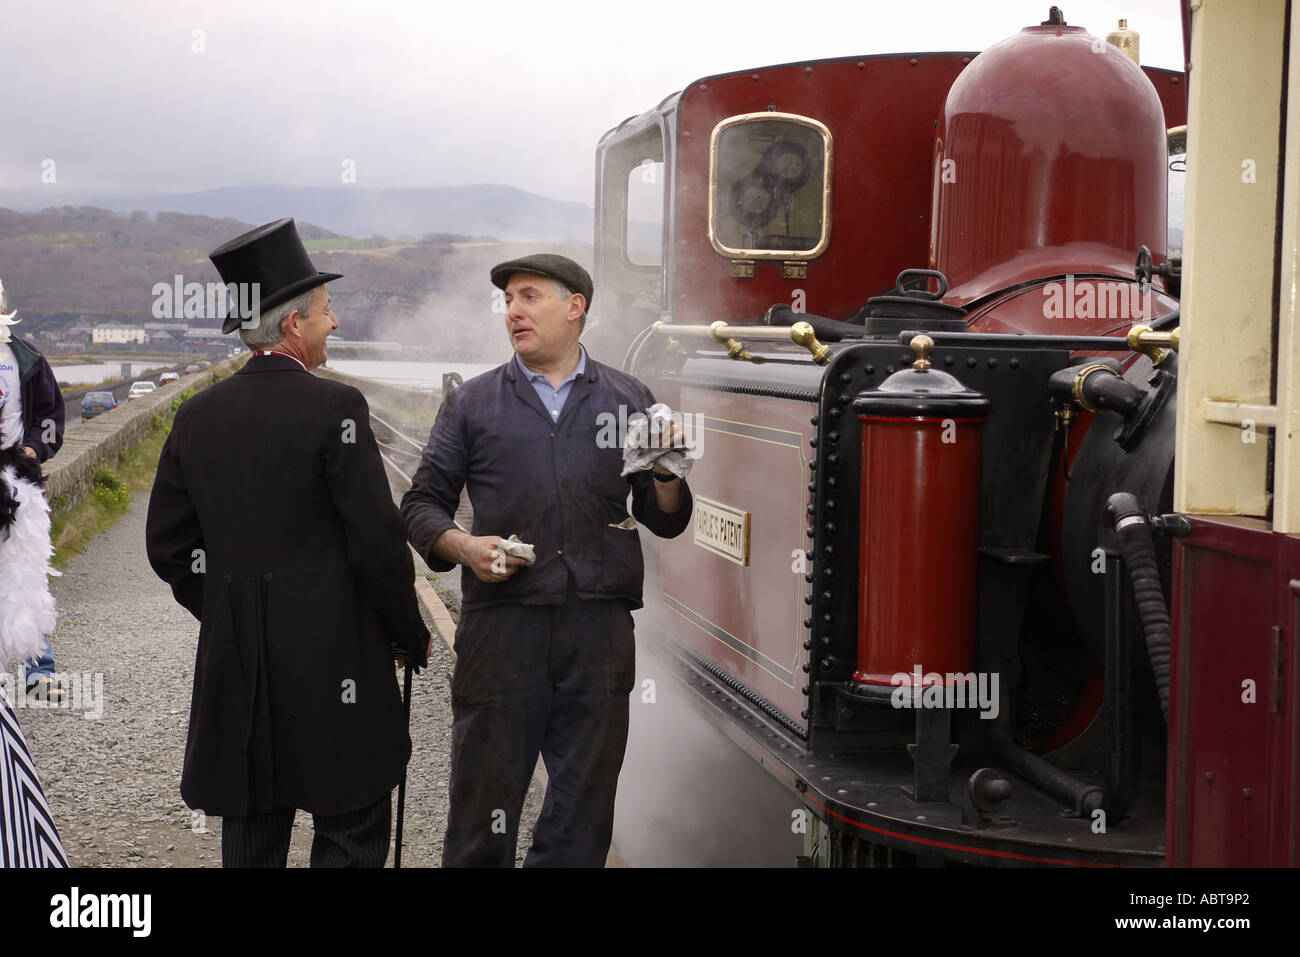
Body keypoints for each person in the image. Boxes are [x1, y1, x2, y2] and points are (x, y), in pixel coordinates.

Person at [145, 218, 430, 867]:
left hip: (240, 671)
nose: (336, 324)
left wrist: (230, 606)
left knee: (252, 836)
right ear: (293, 325)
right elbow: (378, 543)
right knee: (351, 832)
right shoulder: (337, 410)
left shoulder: (195, 416)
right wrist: (408, 634)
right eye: (328, 312)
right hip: (340, 667)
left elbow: (169, 546)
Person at [402, 253, 693, 867]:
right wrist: (465, 548)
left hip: (599, 630)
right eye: (508, 300)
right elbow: (422, 504)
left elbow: (664, 515)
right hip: (501, 629)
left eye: (529, 297)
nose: (513, 311)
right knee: (483, 807)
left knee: (584, 811)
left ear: (574, 307)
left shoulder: (628, 397)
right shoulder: (473, 404)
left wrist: (668, 471)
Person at [0, 279, 66, 704]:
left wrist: (33, 449)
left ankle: (37, 671)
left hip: (14, 478)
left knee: (25, 575)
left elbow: (51, 418)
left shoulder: (25, 357)